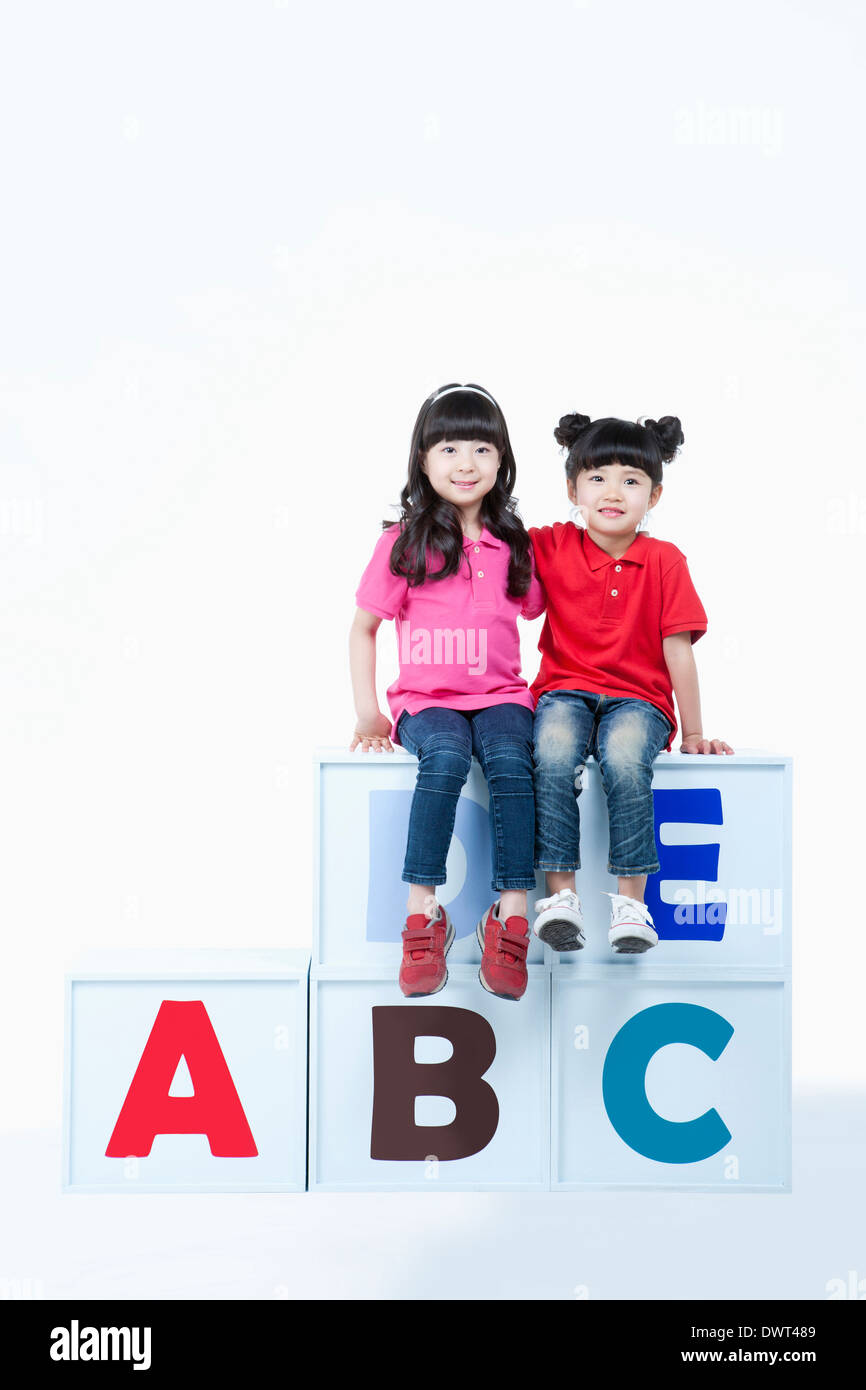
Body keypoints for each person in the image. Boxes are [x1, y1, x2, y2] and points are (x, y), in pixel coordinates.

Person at [349, 383, 544, 1000]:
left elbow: (551, 613)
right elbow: (363, 629)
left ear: (501, 462)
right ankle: (422, 914)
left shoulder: (514, 543)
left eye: (482, 449)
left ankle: (510, 917)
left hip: (503, 697)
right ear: (423, 461)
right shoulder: (402, 543)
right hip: (425, 702)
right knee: (447, 757)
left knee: (514, 761)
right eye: (449, 448)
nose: (466, 463)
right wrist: (367, 713)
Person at [529, 411, 733, 955]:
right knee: (550, 750)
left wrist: (694, 731)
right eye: (597, 477)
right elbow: (491, 543)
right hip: (565, 689)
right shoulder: (551, 545)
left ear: (655, 495)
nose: (612, 491)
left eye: (631, 480)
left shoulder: (665, 560)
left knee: (622, 757)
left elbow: (678, 652)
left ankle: (630, 904)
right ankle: (560, 897)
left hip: (638, 700)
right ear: (572, 488)